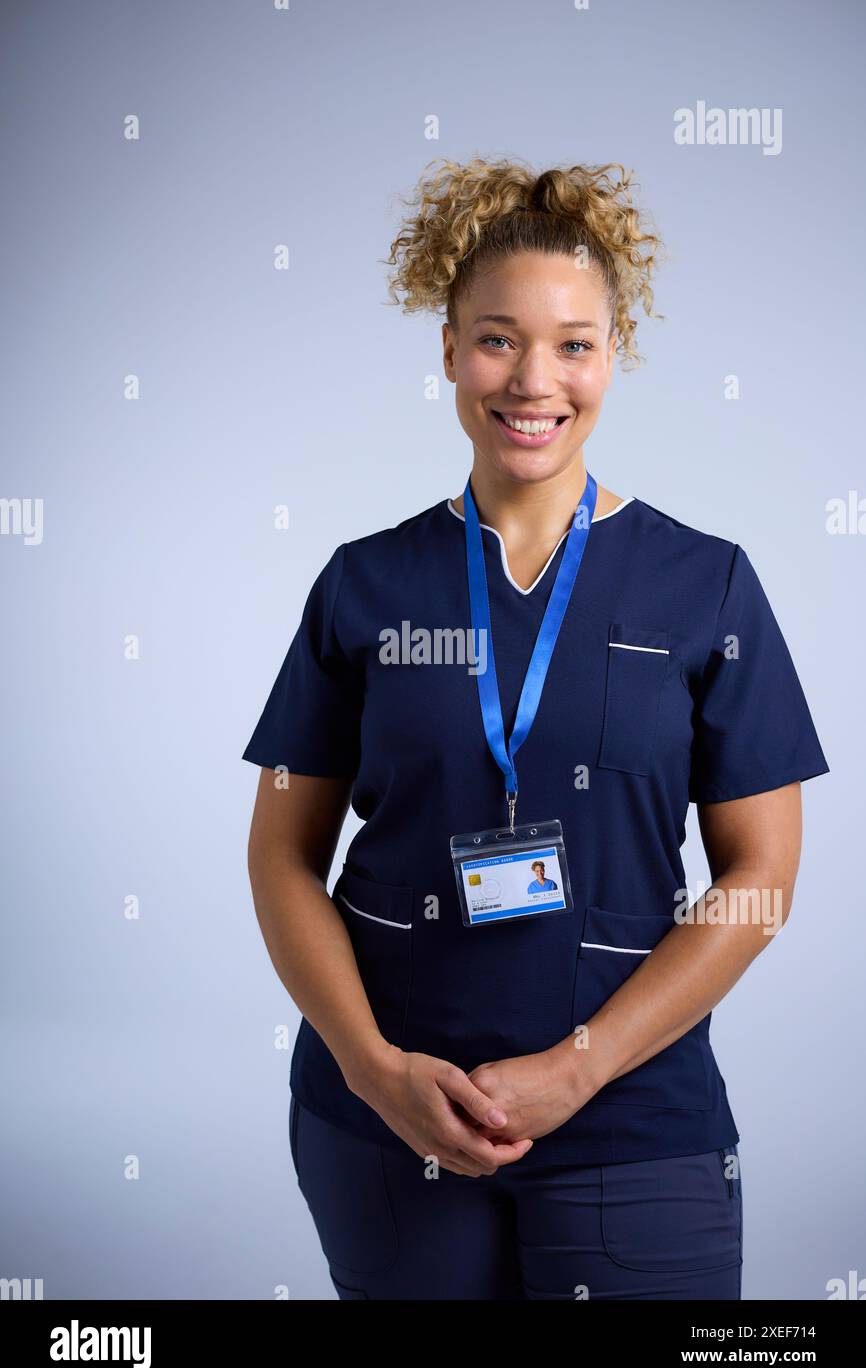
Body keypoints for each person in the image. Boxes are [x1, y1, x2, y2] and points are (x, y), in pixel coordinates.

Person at [242, 158, 829, 1301]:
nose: (533, 379)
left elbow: (761, 874)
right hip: (388, 1125)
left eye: (573, 342)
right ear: (450, 351)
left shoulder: (704, 585)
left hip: (635, 1123)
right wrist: (372, 1069)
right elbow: (278, 853)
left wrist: (579, 1069)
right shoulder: (362, 586)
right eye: (496, 338)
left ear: (614, 356)